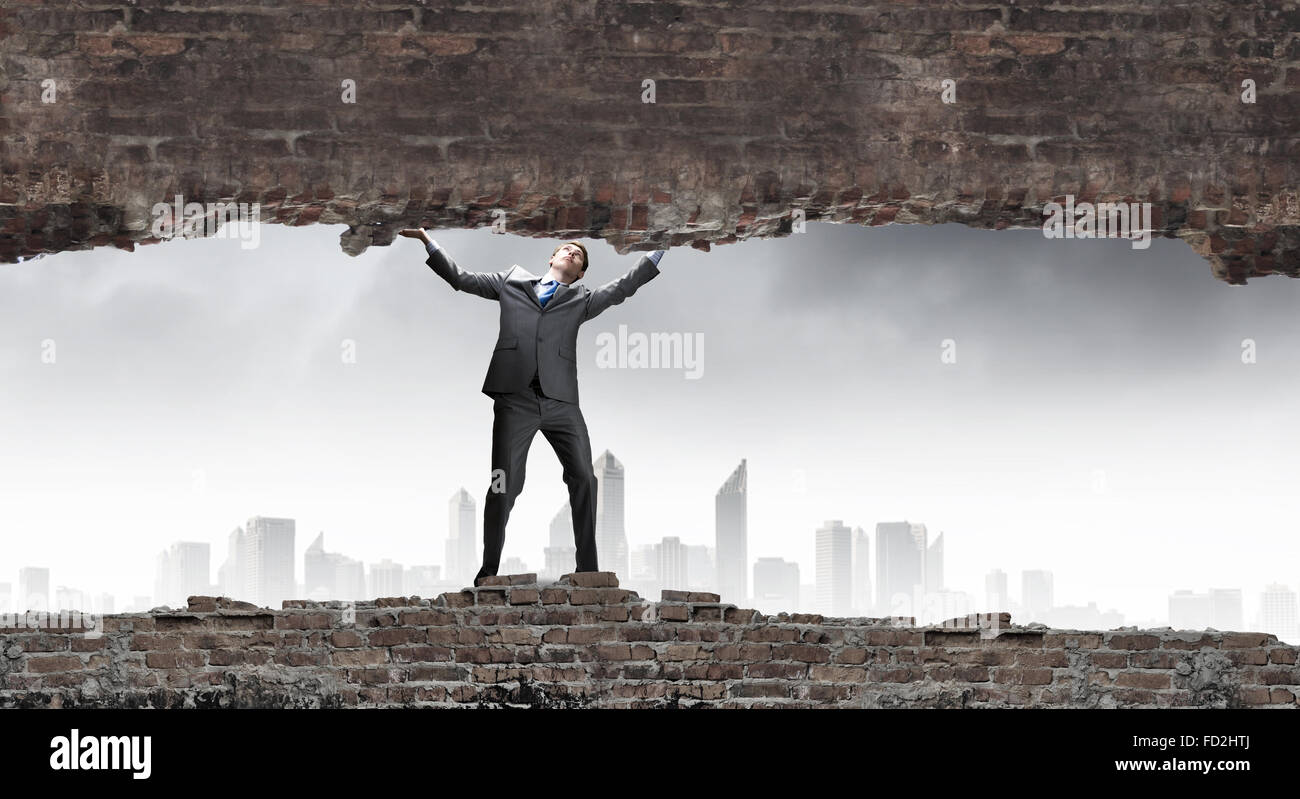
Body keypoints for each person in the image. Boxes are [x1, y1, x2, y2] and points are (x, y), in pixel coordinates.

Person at [399, 229, 666, 586]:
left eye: (579, 256)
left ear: (581, 273)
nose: (572, 253)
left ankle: (588, 570)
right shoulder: (511, 281)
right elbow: (461, 279)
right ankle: (488, 572)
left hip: (561, 402)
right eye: (566, 249)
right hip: (515, 399)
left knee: (585, 477)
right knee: (502, 484)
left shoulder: (582, 300)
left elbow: (623, 287)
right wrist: (426, 241)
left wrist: (660, 250)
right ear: (552, 259)